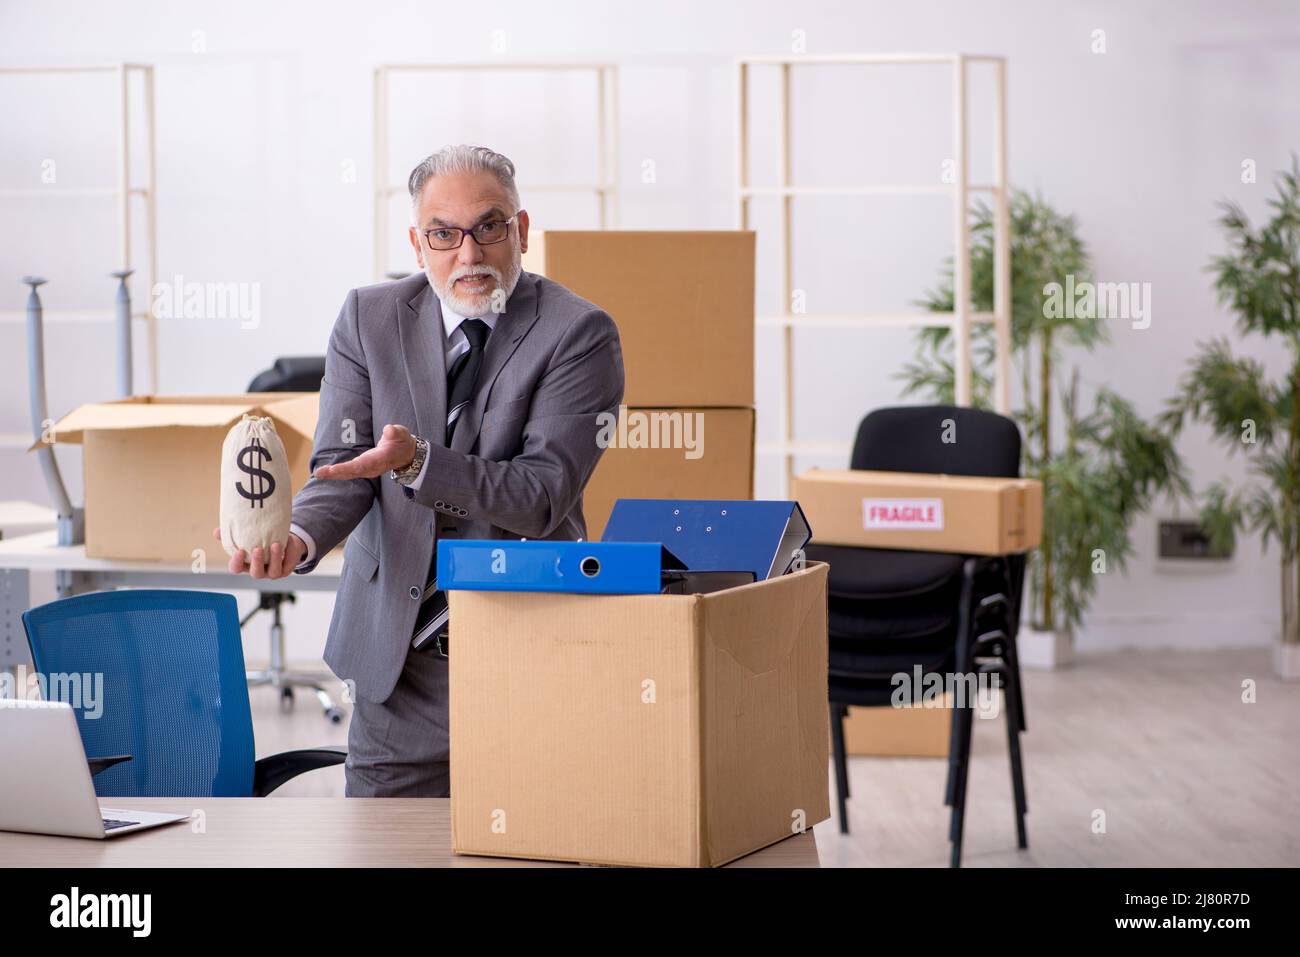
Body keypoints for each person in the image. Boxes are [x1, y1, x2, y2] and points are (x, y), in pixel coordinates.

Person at [216, 144, 624, 796]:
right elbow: (340, 470)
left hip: (526, 657)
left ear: (520, 230)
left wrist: (418, 462)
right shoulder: (368, 318)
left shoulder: (578, 333)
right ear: (418, 243)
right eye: (444, 233)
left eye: (489, 227)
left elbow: (543, 494)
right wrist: (297, 538)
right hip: (394, 671)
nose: (469, 253)